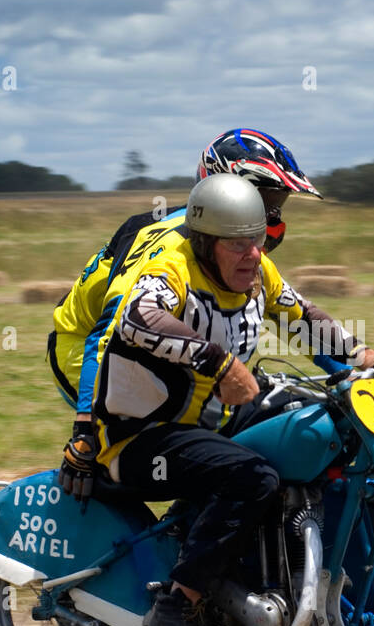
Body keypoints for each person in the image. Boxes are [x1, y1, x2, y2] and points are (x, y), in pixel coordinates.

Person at [58, 173, 374, 626]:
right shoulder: (170, 268)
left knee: (312, 423)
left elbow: (303, 318)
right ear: (205, 243)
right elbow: (137, 319)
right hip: (139, 435)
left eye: (258, 241)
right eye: (238, 245)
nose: (252, 255)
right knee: (252, 478)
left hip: (206, 422)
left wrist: (363, 356)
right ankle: (173, 611)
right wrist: (220, 364)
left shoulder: (257, 272)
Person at [47, 129, 325, 427]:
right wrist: (86, 424)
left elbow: (295, 320)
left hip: (148, 345)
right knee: (173, 436)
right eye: (267, 204)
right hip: (84, 350)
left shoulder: (227, 243)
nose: (274, 219)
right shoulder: (169, 244)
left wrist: (358, 365)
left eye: (278, 207)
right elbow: (107, 334)